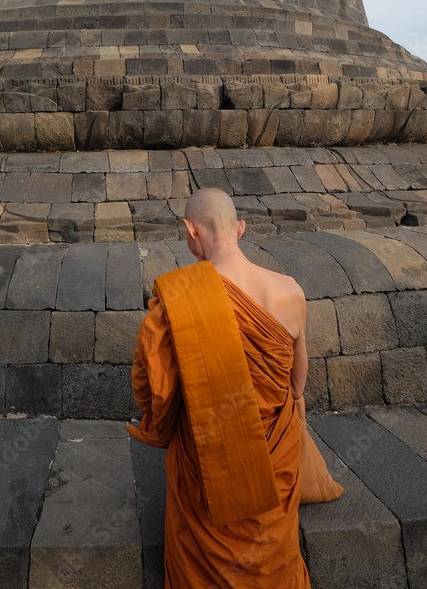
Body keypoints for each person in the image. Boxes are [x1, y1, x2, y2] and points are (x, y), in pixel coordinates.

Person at [126, 187, 313, 588]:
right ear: (240, 229)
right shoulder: (290, 290)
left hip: (209, 461)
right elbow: (297, 385)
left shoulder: (178, 298)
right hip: (275, 451)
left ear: (190, 229)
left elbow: (151, 392)